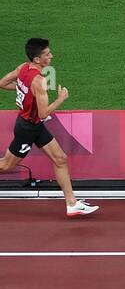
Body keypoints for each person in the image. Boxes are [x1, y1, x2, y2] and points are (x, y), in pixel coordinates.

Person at [0, 38, 97, 216]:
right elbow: (44, 114)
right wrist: (60, 99)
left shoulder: (23, 67)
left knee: (60, 159)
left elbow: (3, 83)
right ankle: (72, 203)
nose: (51, 56)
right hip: (28, 129)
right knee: (6, 166)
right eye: (47, 54)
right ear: (37, 59)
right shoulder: (39, 82)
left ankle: (72, 204)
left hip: (34, 126)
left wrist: (24, 90)